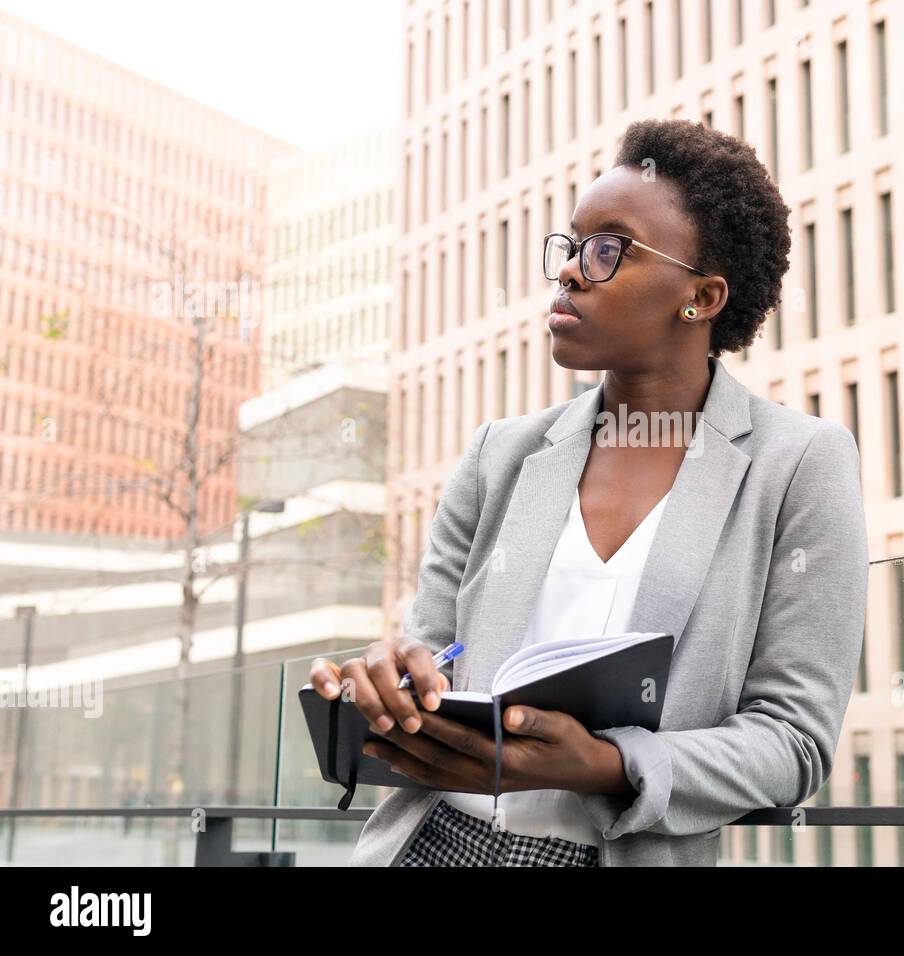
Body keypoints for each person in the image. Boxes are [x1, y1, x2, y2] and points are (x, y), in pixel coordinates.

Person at [311, 118, 869, 867]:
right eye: (572, 245)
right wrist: (390, 679)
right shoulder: (498, 455)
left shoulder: (799, 464)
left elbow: (793, 741)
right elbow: (434, 649)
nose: (570, 270)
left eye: (610, 249)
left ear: (701, 296)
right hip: (433, 843)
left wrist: (607, 766)